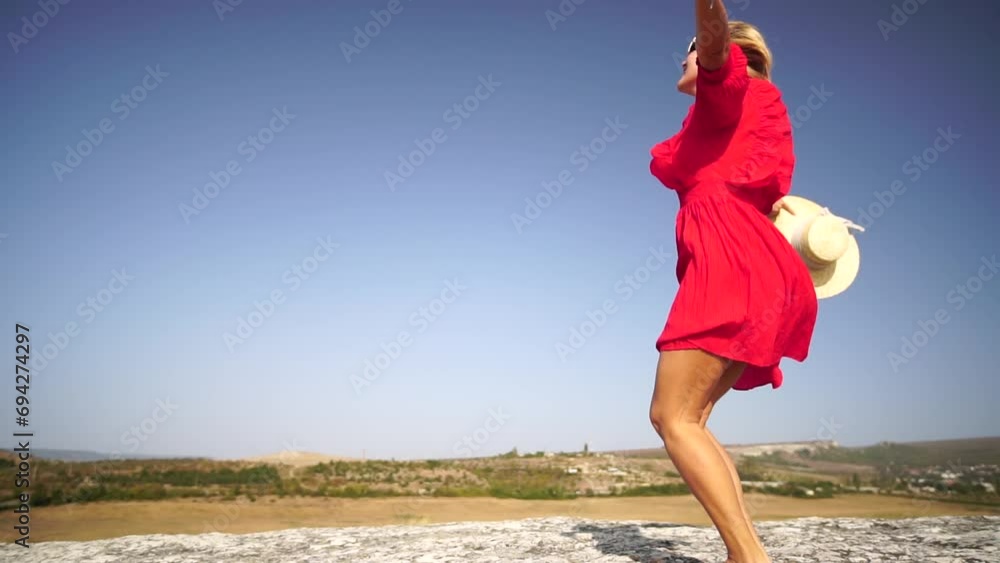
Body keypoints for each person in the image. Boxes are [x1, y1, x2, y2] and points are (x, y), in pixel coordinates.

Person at [647, 1, 819, 562]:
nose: (683, 58)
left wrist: (706, 14)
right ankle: (742, 553)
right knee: (691, 418)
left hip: (730, 268)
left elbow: (716, 45)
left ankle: (748, 557)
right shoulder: (740, 117)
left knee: (671, 417)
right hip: (751, 270)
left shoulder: (730, 93)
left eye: (688, 51)